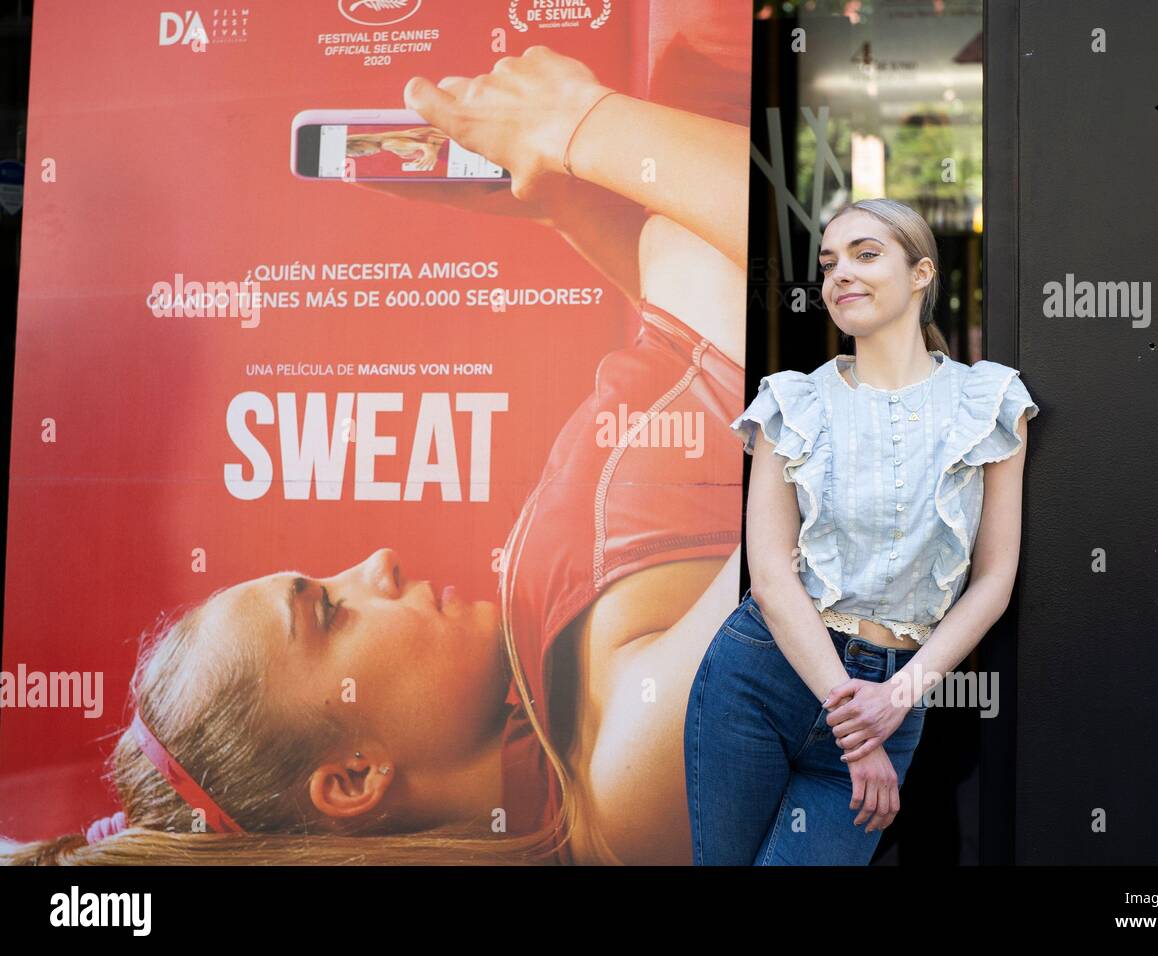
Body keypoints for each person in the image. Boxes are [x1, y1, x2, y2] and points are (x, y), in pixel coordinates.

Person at [1, 43, 750, 866]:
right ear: (355, 777)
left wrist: (574, 204)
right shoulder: (633, 785)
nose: (379, 563)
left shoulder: (548, 708)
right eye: (326, 609)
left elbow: (710, 371)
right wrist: (580, 126)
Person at [684, 198, 1040, 865]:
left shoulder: (989, 402)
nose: (840, 274)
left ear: (921, 274)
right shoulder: (792, 402)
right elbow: (769, 575)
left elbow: (993, 581)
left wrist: (896, 700)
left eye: (865, 254)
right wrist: (858, 728)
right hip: (761, 681)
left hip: (896, 690)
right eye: (828, 263)